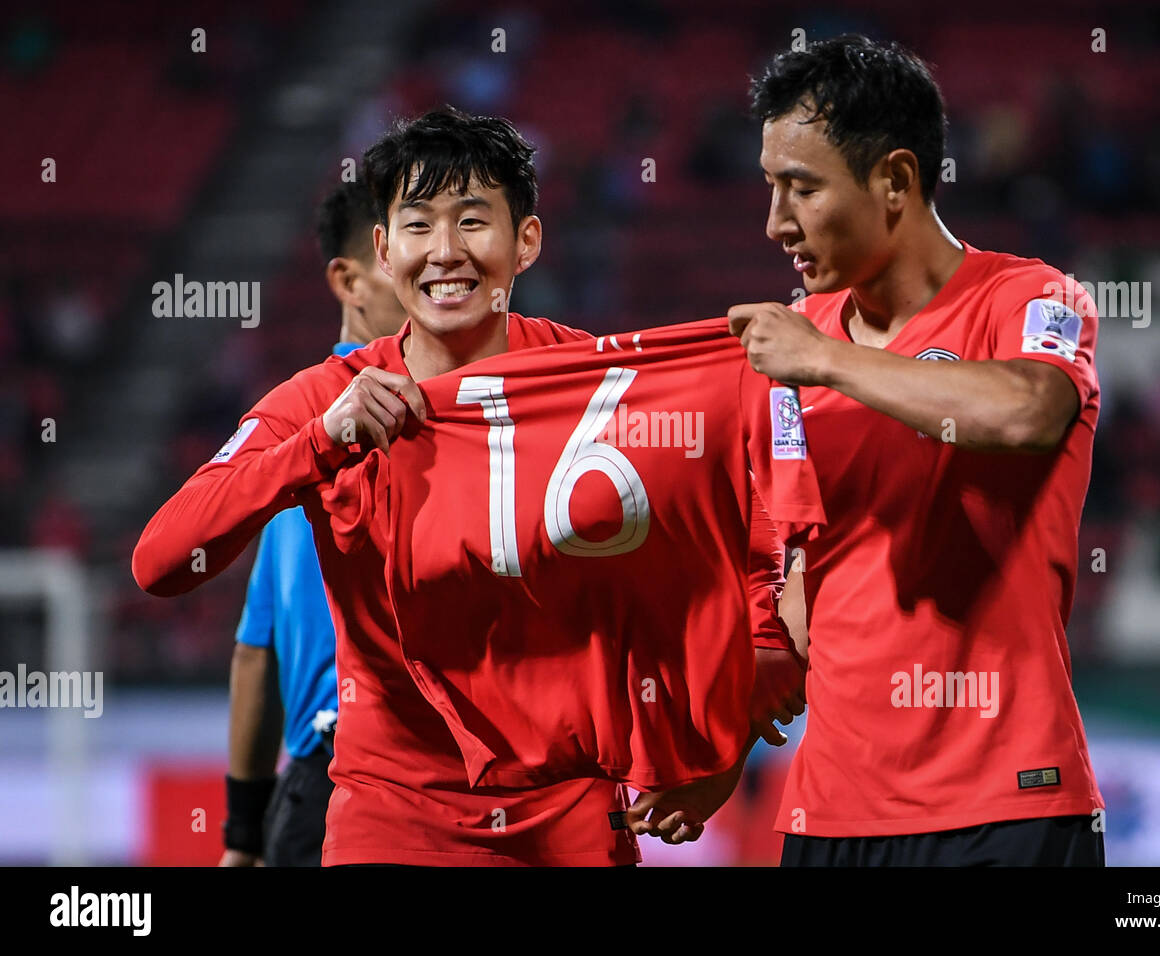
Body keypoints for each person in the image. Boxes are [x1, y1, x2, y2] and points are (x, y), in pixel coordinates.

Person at [136, 107, 803, 864]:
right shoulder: (328, 398)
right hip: (390, 818)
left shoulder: (593, 386)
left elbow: (740, 499)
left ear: (527, 242)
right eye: (417, 227)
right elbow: (160, 560)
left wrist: (751, 682)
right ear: (383, 252)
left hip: (568, 817)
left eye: (473, 222)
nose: (445, 253)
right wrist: (319, 445)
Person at [647, 34, 1106, 866]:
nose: (775, 221)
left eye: (803, 188)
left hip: (1005, 807)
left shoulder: (1026, 297)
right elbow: (797, 590)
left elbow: (1030, 412)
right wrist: (724, 754)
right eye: (770, 187)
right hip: (828, 819)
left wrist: (828, 360)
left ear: (894, 180)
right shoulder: (791, 349)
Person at [219, 182, 407, 868]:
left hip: (377, 784)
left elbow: (255, 649)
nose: (429, 267)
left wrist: (243, 837)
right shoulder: (318, 426)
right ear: (348, 278)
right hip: (342, 776)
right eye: (402, 246)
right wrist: (243, 835)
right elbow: (255, 653)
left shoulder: (294, 429)